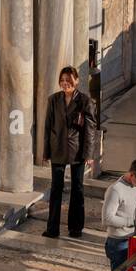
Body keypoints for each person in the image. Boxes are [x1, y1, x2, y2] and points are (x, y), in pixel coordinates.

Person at [41, 66, 99, 239]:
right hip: (57, 147)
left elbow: (90, 129)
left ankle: (75, 228)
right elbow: (47, 127)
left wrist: (89, 154)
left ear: (76, 81)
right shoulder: (53, 100)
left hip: (77, 149)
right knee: (56, 188)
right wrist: (46, 151)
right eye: (62, 80)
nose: (65, 83)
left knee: (77, 189)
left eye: (68, 80)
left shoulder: (85, 101)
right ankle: (52, 228)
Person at [102, 158, 136, 270]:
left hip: (133, 238)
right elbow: (107, 219)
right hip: (118, 242)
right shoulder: (115, 190)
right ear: (131, 175)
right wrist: (132, 222)